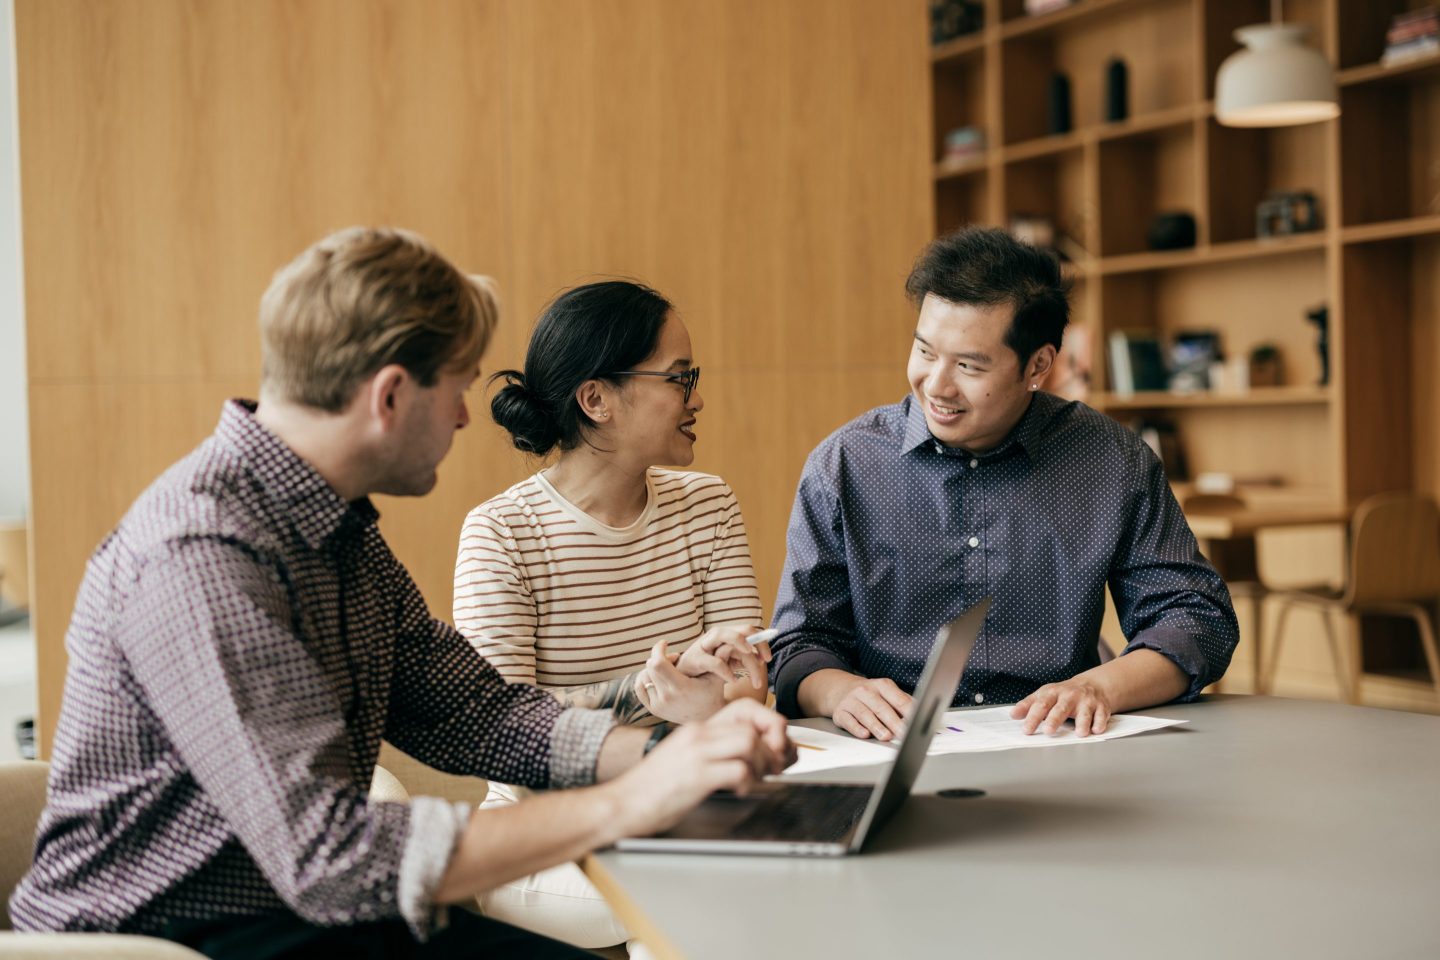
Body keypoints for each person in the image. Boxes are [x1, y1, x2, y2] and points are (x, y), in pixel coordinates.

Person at [8, 228, 793, 960]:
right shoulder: (204, 554)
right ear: (389, 396)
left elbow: (474, 713)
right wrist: (638, 798)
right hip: (163, 939)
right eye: (455, 388)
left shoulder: (335, 526)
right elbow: (330, 856)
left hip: (288, 913)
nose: (462, 416)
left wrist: (668, 753)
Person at [767, 226, 1238, 742]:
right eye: (925, 352)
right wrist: (840, 693)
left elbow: (1196, 620)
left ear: (1037, 366)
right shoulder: (844, 465)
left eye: (968, 365)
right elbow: (799, 644)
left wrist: (1101, 687)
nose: (937, 386)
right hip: (886, 749)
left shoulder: (1111, 461)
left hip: (1057, 744)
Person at [453, 279, 767, 953]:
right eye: (680, 378)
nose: (698, 398)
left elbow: (747, 688)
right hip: (547, 836)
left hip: (692, 810)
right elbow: (504, 736)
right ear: (597, 399)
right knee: (697, 900)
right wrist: (653, 697)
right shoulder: (500, 534)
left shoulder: (707, 504)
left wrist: (711, 697)